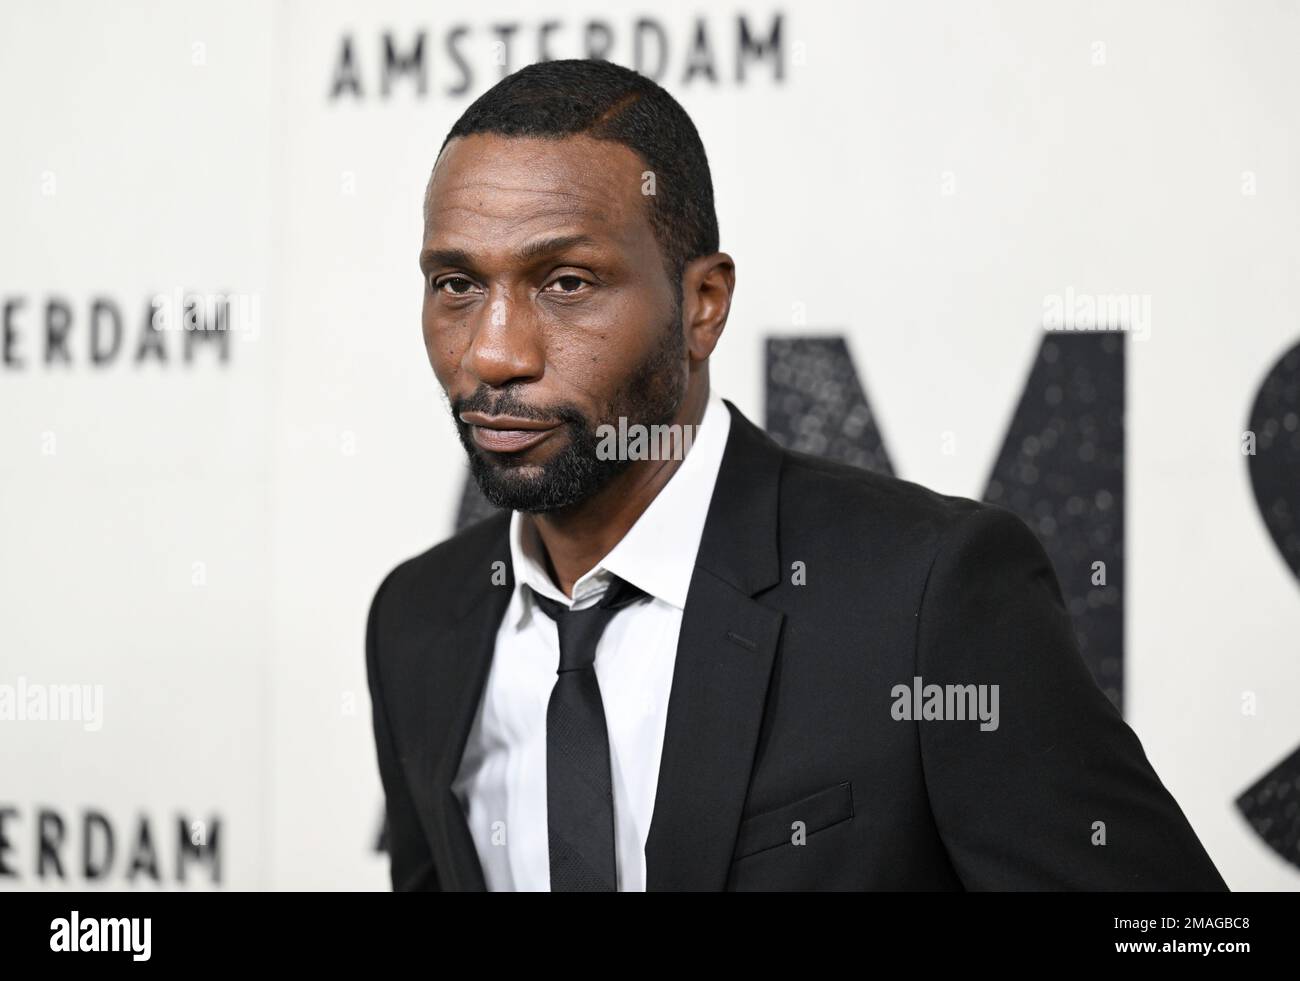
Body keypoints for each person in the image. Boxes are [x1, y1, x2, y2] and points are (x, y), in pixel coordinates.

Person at [365, 57, 1227, 891]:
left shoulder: (929, 598)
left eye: (566, 282)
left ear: (702, 304)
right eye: (457, 285)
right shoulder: (417, 625)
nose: (494, 351)